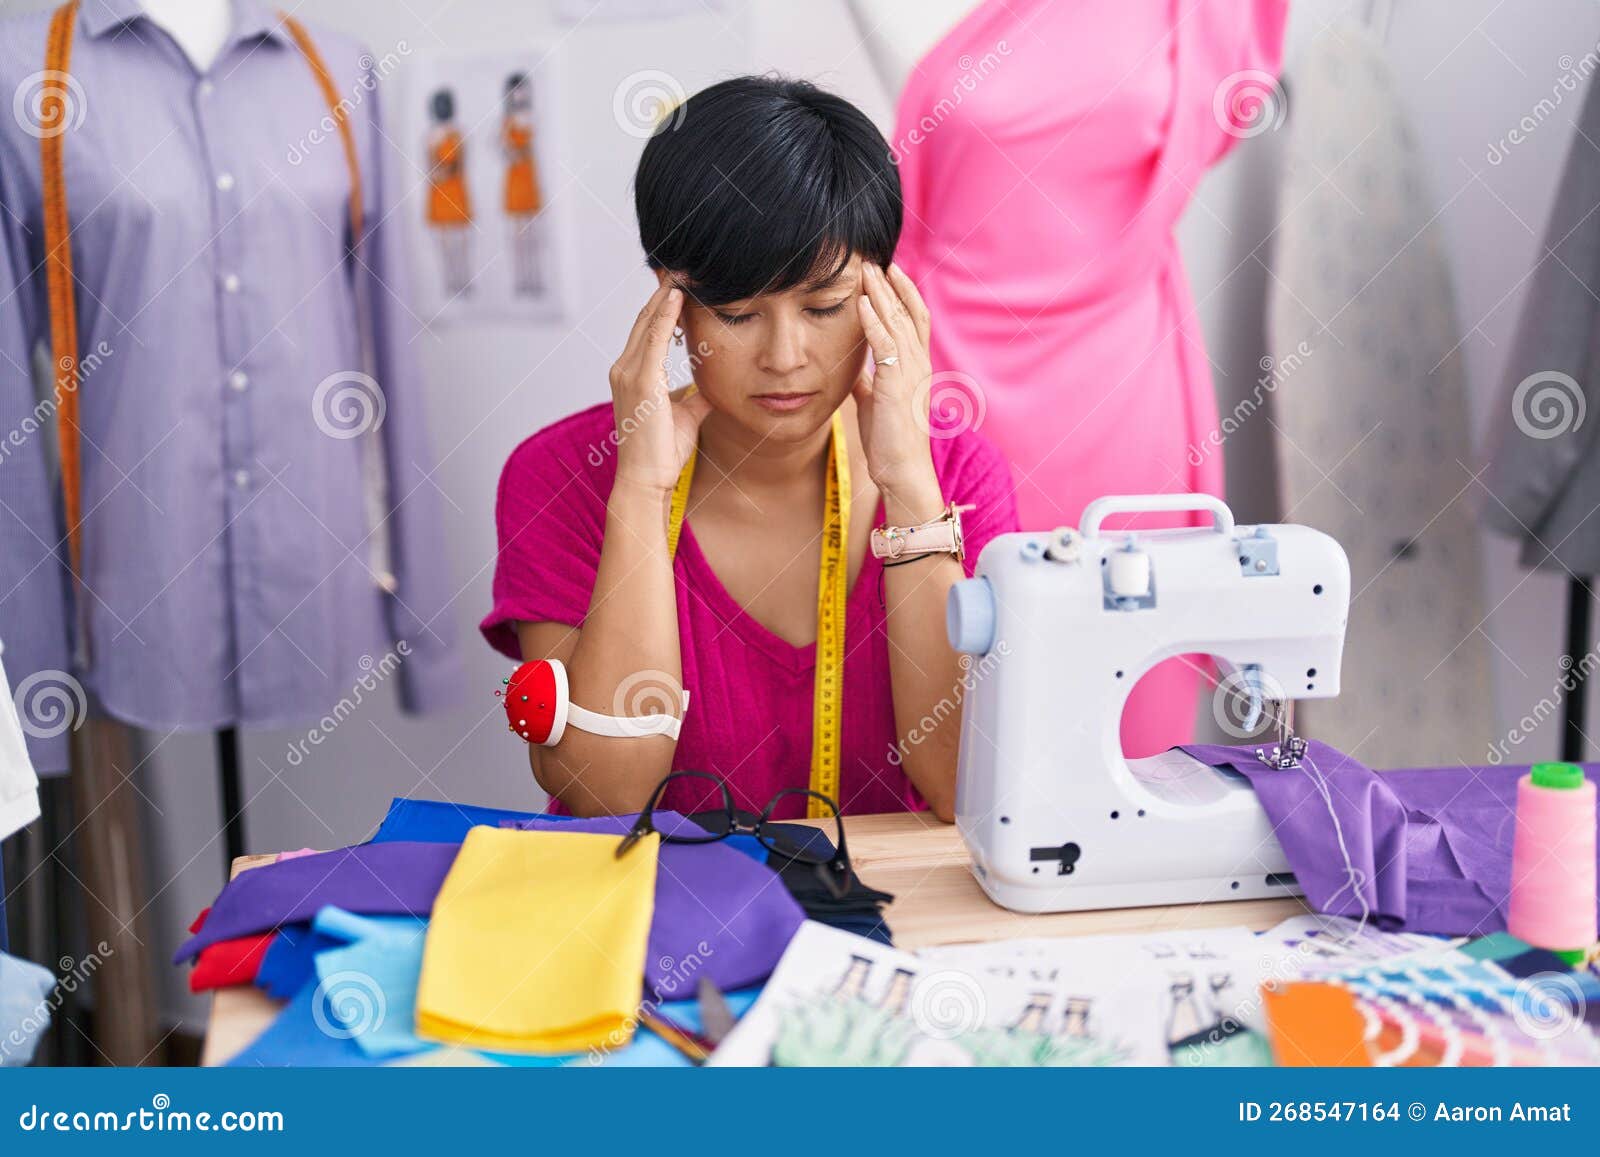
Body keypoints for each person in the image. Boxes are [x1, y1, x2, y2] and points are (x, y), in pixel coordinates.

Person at [483, 77, 1019, 821]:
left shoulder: (958, 476)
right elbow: (607, 795)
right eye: (736, 313)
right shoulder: (561, 477)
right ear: (670, 305)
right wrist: (638, 497)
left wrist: (908, 488)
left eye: (825, 306)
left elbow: (967, 787)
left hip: (892, 922)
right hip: (658, 924)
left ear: (883, 299)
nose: (786, 356)